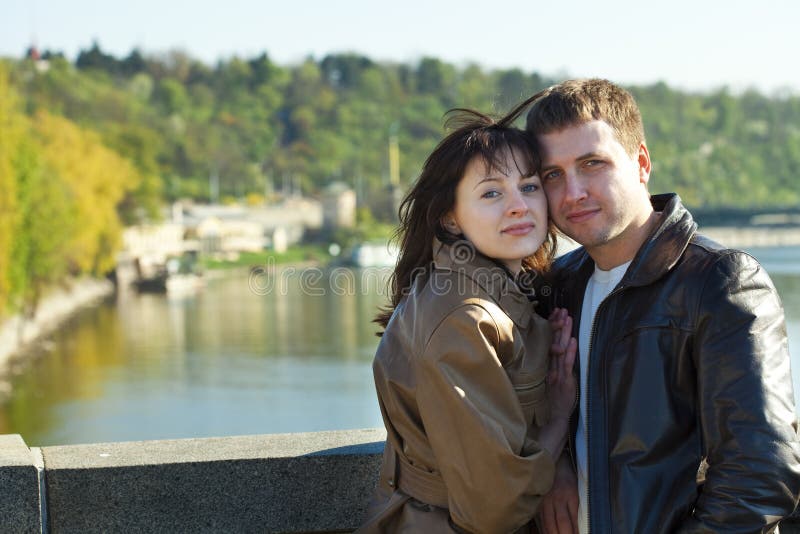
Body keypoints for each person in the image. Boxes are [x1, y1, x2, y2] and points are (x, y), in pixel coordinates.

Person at [517, 78, 800, 533]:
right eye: (553, 174)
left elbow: (759, 475)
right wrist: (555, 466)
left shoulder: (720, 282)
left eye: (592, 164)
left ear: (642, 163)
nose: (573, 193)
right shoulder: (556, 285)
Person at [357, 107, 577, 533]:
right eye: (492, 193)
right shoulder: (464, 315)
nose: (518, 206)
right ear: (450, 217)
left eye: (529, 186)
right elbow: (494, 508)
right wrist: (560, 416)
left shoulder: (500, 290)